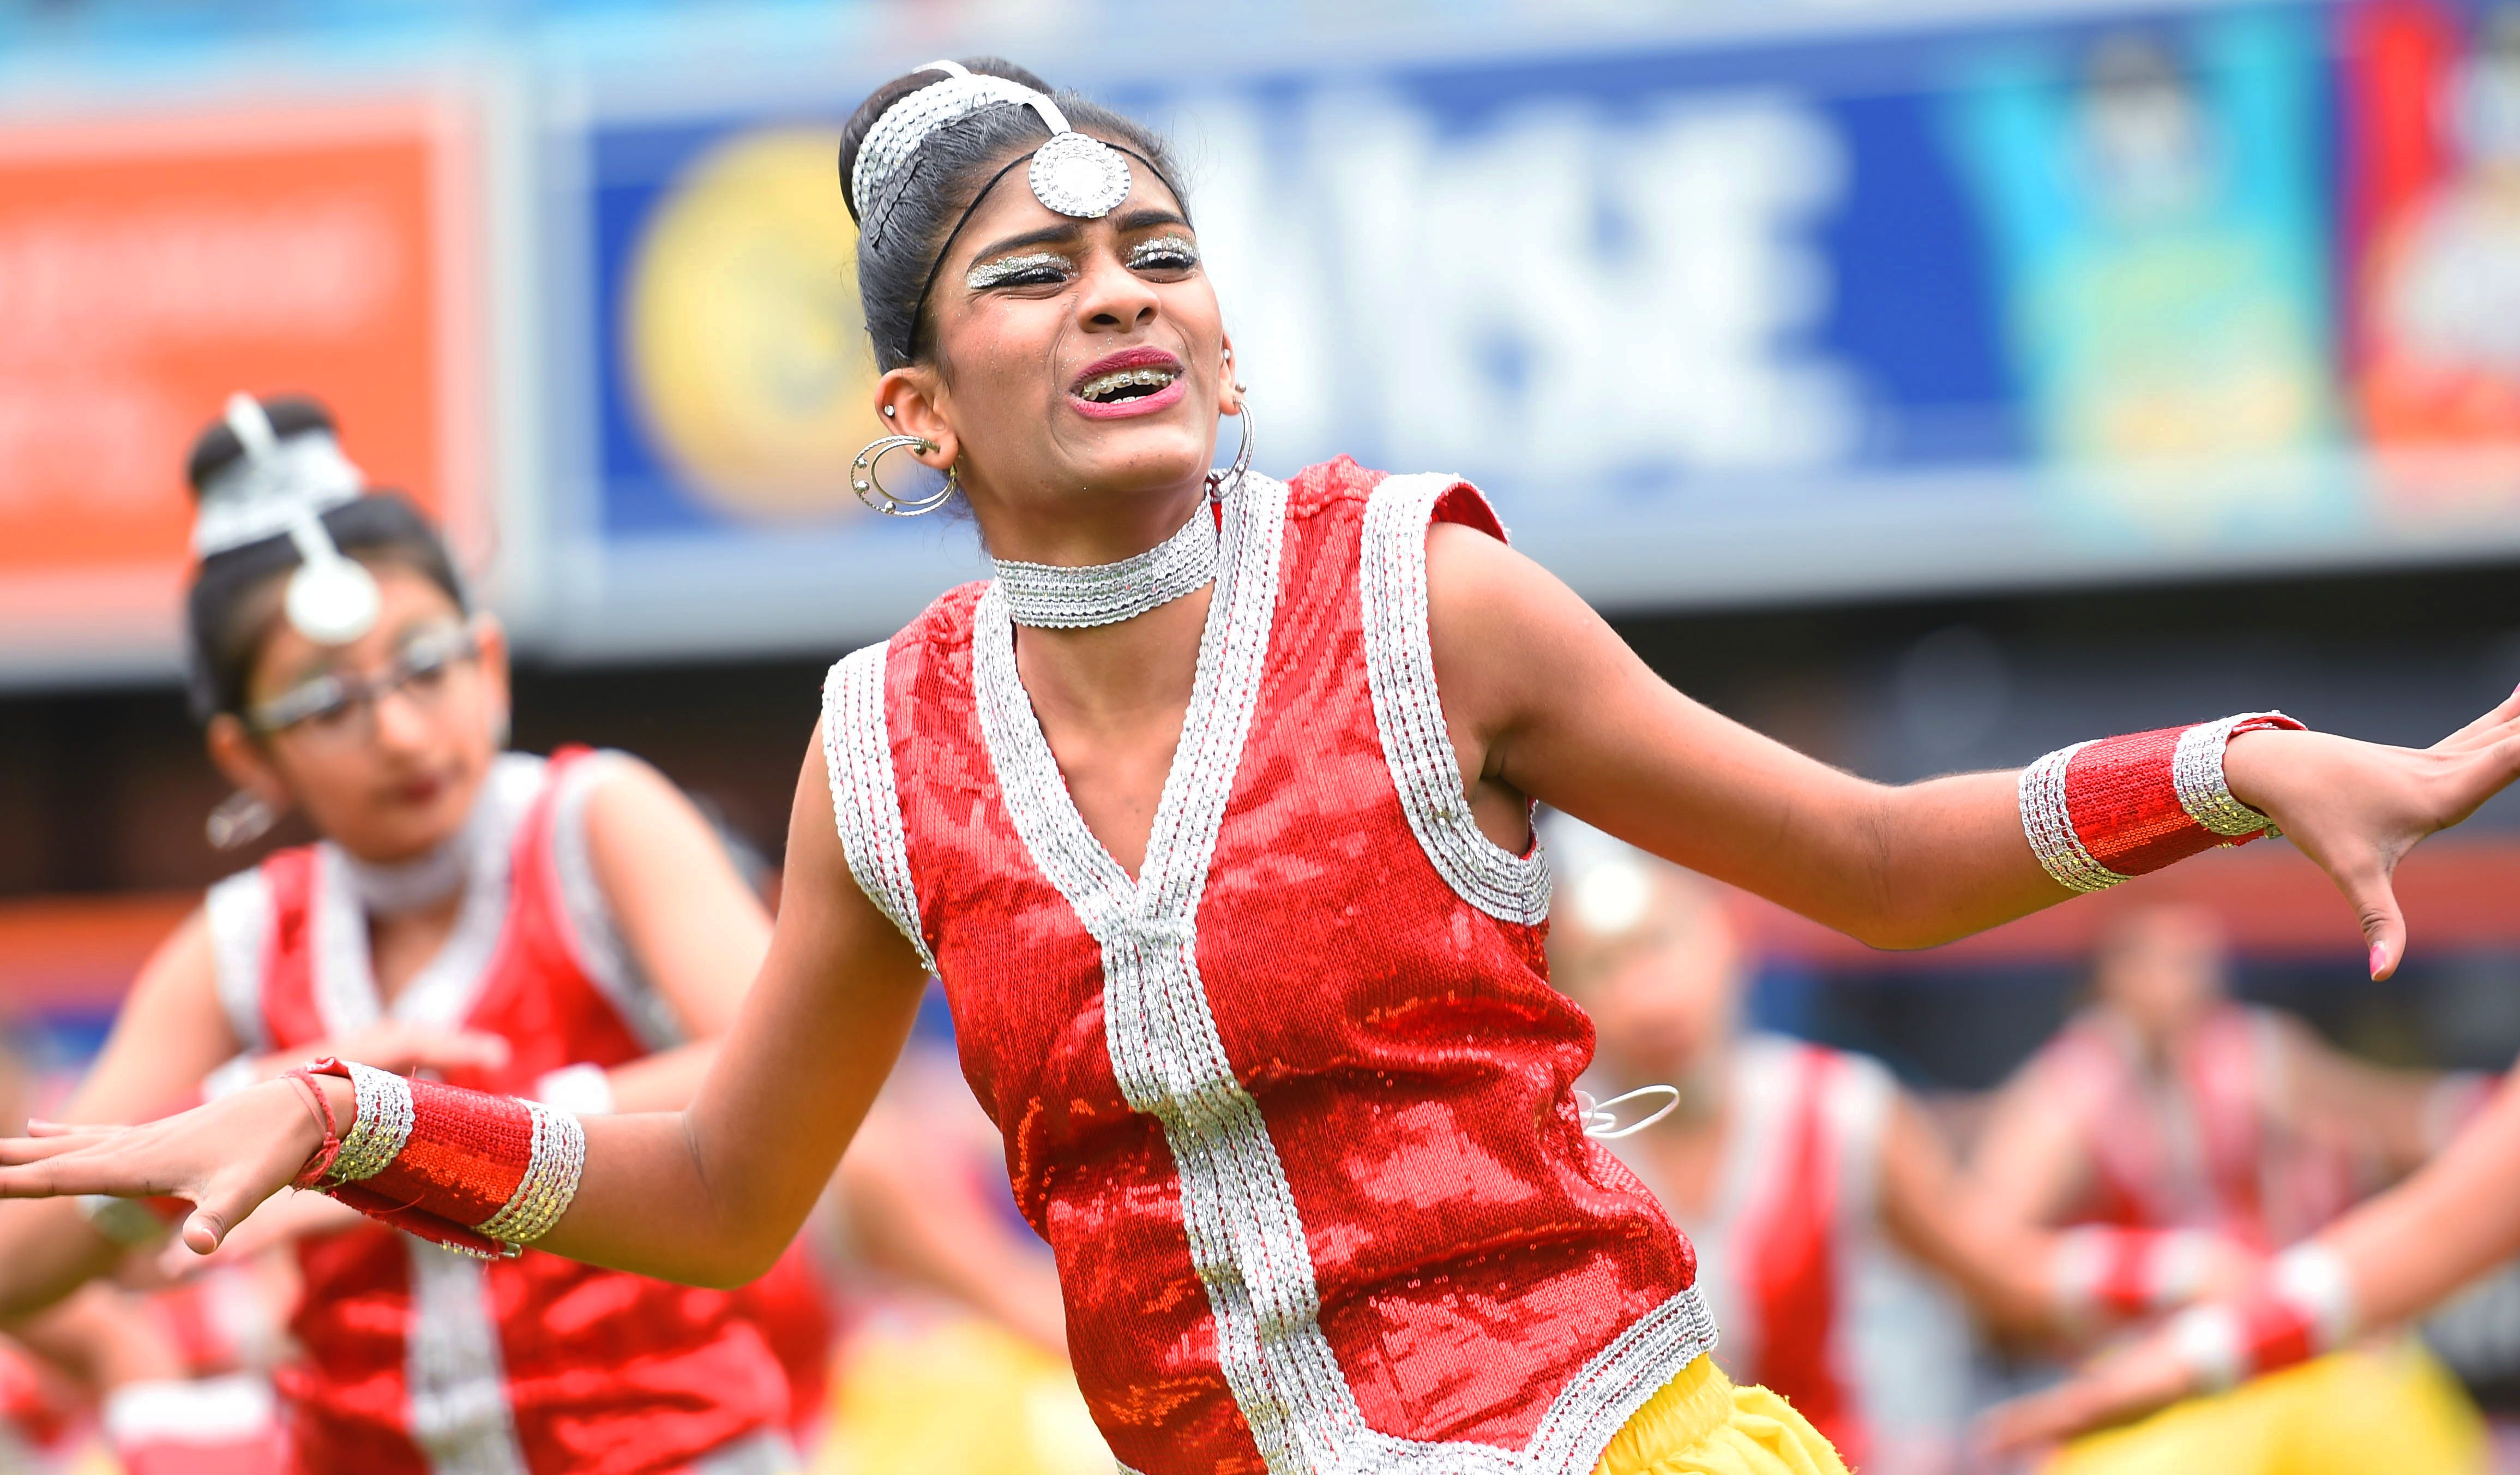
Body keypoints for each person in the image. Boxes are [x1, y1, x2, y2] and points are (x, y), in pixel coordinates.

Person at [2, 58, 2514, 1475]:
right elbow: (720, 1188)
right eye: (1032, 267)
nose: (1117, 292)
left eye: (1158, 251)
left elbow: (1865, 861)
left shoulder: (1428, 599)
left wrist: (2237, 762)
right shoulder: (881, 752)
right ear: (915, 409)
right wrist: (342, 1115)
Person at [0, 393, 807, 1474]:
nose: (398, 730)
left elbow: (791, 1077)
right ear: (249, 758)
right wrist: (248, 1111)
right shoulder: (239, 941)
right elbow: (16, 1266)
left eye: (424, 665)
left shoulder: (595, 822)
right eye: (327, 705)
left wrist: (378, 1125)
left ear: (490, 664)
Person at [1551, 831, 2253, 1475]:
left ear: (1727, 937)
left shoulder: (1837, 1109)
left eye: (1661, 945)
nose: (1647, 995)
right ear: (1565, 990)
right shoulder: (1558, 1152)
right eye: (1605, 965)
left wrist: (2193, 1272)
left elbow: (2003, 1275)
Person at [1969, 903, 2486, 1255]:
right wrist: (2147, 1279)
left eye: (2202, 963)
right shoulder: (2073, 1087)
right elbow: (1988, 1242)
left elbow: (2382, 1118)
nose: (2196, 983)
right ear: (2115, 974)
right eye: (2173, 964)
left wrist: (2480, 1113)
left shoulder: (2249, 1050)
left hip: (2276, 1332)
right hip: (2137, 1348)